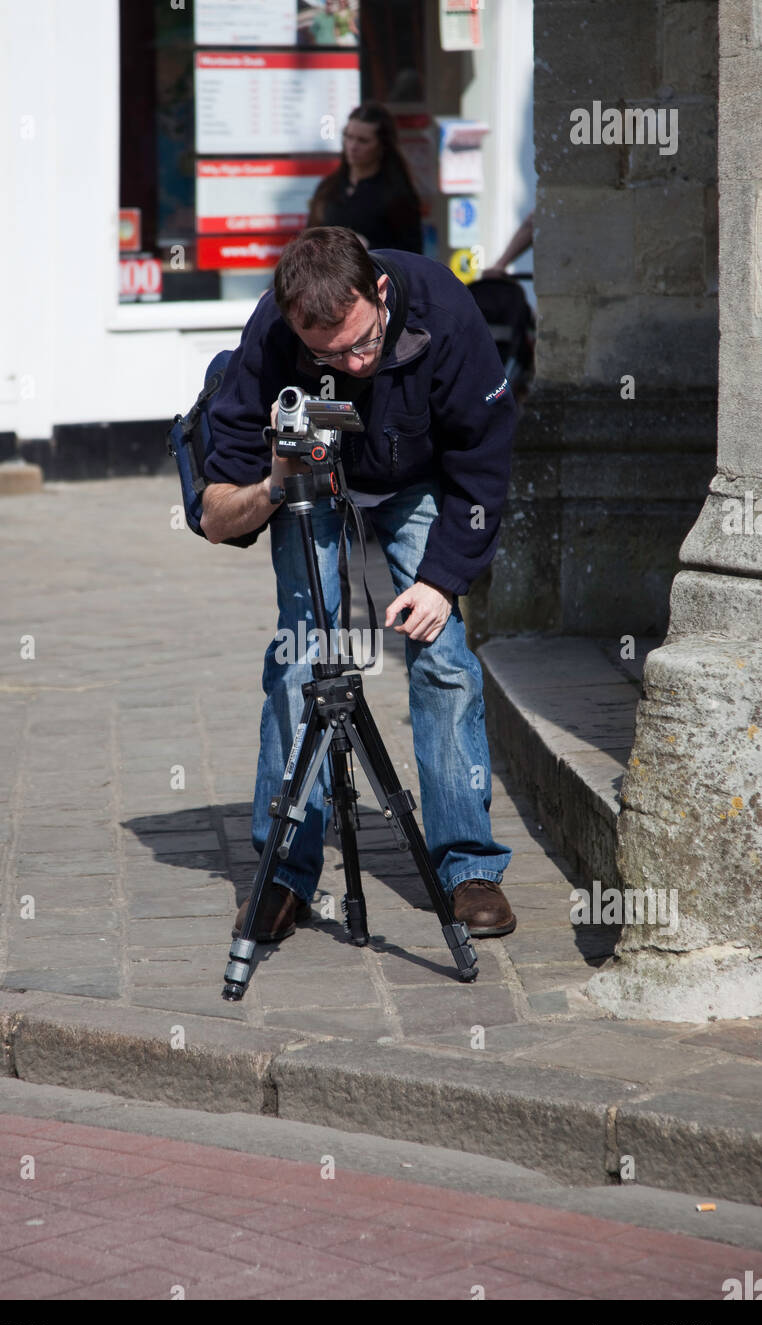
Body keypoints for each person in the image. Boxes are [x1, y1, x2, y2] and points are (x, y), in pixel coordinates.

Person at [200, 226, 517, 945]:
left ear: (378, 291)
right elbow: (220, 504)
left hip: (417, 481)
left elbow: (483, 455)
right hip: (308, 482)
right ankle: (284, 872)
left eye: (363, 343)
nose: (352, 363)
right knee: (301, 656)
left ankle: (468, 867)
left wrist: (441, 580)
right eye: (328, 355)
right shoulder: (272, 336)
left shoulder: (443, 307)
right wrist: (276, 487)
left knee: (442, 656)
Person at [307, 102, 422, 254]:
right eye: (349, 137)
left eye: (363, 141)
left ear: (382, 146)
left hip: (375, 274)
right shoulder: (328, 187)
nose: (352, 146)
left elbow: (411, 254)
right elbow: (307, 239)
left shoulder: (397, 194)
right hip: (325, 274)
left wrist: (369, 246)